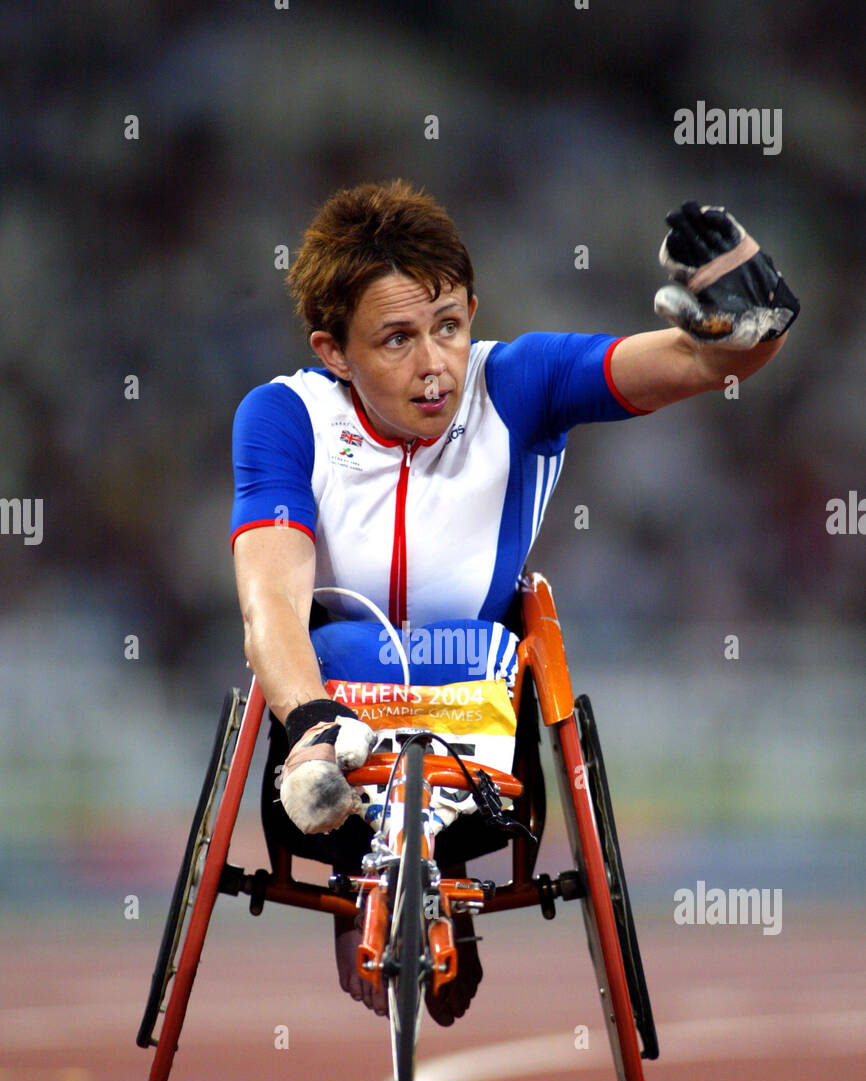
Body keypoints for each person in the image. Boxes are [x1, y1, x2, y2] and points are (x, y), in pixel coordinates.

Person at [230, 180, 798, 1024]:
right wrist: (310, 724)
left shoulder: (519, 382)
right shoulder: (284, 415)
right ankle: (369, 879)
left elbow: (697, 360)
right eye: (397, 339)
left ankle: (432, 888)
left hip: (482, 729)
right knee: (336, 643)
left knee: (483, 644)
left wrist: (750, 326)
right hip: (337, 732)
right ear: (334, 351)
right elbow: (271, 600)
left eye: (450, 326)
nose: (436, 365)